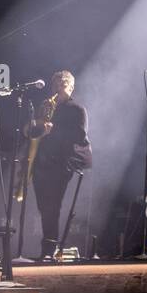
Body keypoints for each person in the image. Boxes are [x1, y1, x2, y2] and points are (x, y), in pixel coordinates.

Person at [26, 70, 92, 260]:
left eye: (61, 85)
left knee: (52, 206)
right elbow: (34, 131)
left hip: (63, 162)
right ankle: (48, 246)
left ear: (71, 88)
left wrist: (53, 130)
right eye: (54, 85)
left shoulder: (77, 109)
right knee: (43, 206)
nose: (57, 89)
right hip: (43, 161)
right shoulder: (46, 106)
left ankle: (48, 248)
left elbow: (79, 135)